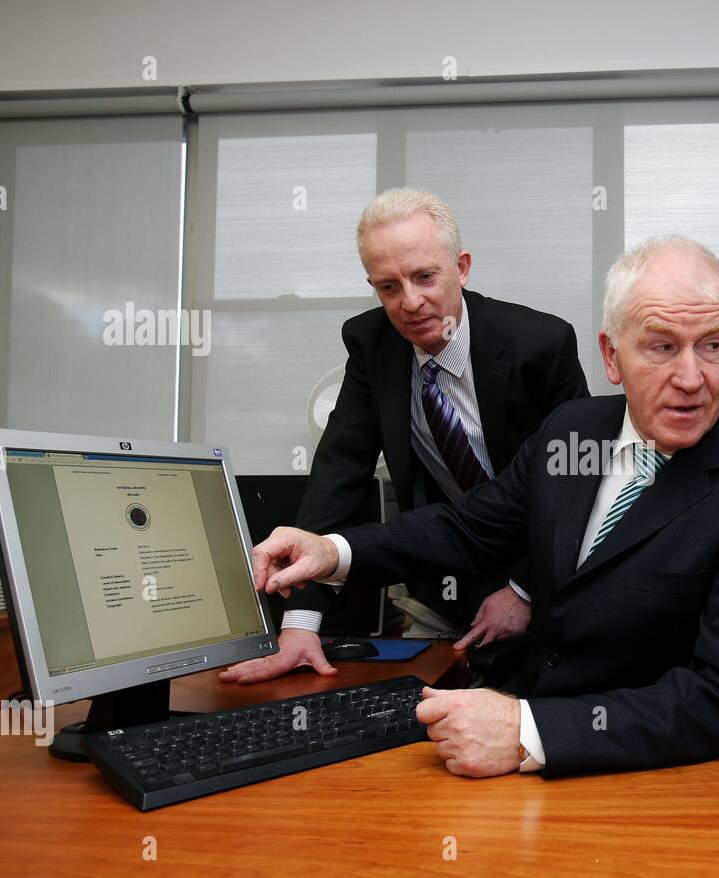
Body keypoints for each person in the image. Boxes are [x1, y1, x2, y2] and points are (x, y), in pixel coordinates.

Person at [249, 236, 719, 777]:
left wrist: (529, 729)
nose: (693, 378)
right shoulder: (571, 432)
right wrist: (332, 551)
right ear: (612, 356)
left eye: (713, 346)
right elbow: (466, 527)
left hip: (656, 779)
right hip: (533, 766)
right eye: (663, 347)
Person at [222, 187, 588, 685]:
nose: (410, 303)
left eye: (425, 277)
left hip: (545, 575)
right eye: (388, 287)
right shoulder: (372, 345)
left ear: (461, 267)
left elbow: (578, 486)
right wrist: (301, 623)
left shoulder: (541, 345)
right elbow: (337, 477)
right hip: (439, 583)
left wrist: (524, 589)